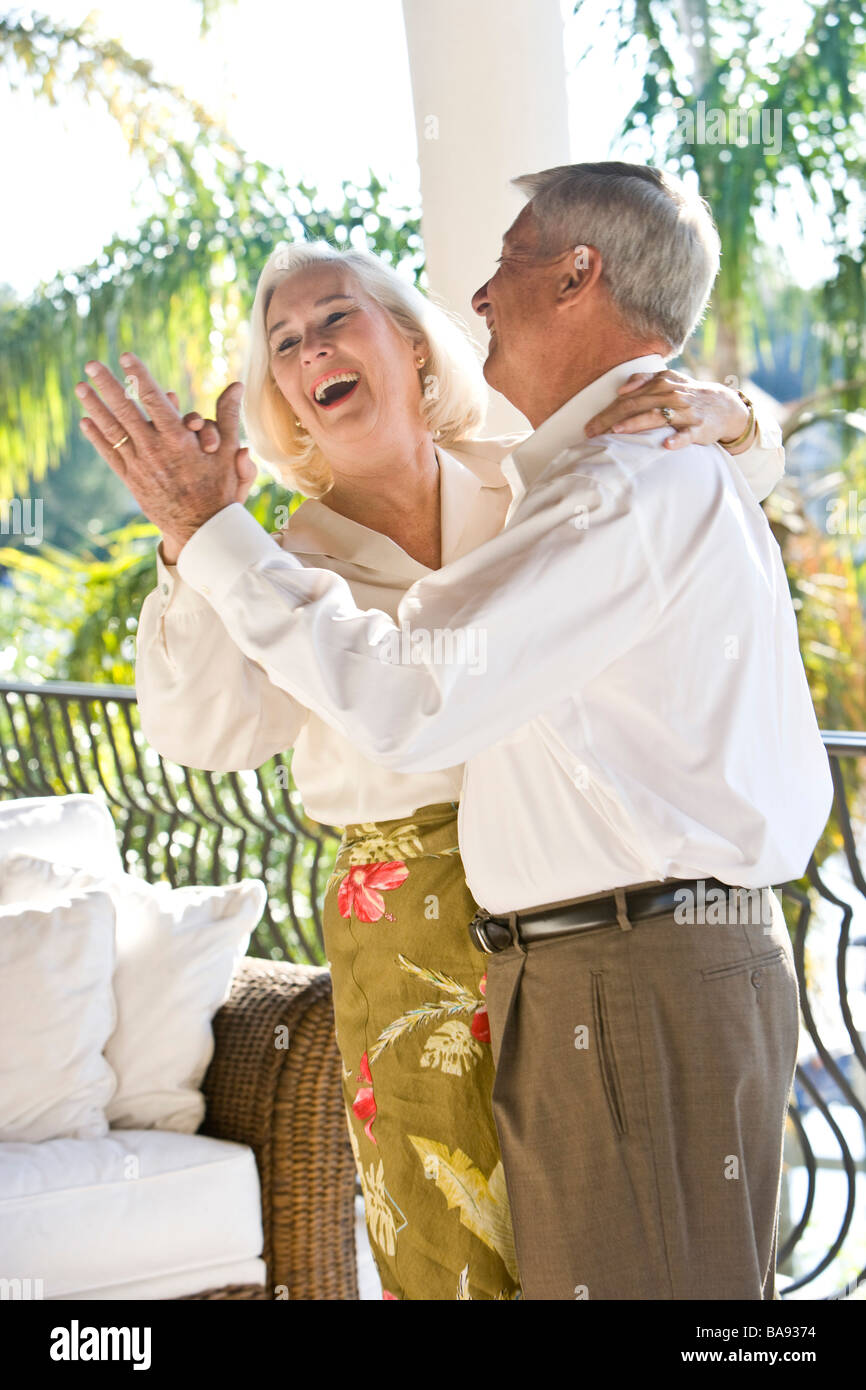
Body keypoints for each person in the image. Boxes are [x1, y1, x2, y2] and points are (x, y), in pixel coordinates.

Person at [77, 167, 822, 1299]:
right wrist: (200, 549)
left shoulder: (546, 480)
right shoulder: (288, 559)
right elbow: (202, 731)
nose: (310, 348)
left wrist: (738, 411)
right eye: (283, 341)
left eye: (336, 317)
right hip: (434, 935)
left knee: (637, 1265)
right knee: (470, 1262)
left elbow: (652, 483)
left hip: (591, 937)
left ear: (410, 346)